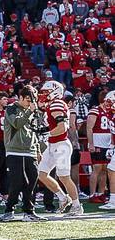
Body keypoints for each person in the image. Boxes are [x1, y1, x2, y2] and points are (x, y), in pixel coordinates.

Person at [0, 83, 46, 222]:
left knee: (32, 181)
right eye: (28, 100)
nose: (30, 103)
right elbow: (17, 123)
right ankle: (9, 210)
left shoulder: (33, 111)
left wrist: (38, 149)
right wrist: (30, 112)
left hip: (30, 150)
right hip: (14, 150)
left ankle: (29, 211)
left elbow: (35, 131)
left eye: (32, 100)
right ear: (20, 97)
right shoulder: (11, 108)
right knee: (17, 181)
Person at [35, 80, 82, 217]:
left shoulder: (57, 104)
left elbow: (62, 127)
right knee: (41, 174)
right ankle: (62, 197)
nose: (43, 94)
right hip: (52, 144)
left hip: (60, 145)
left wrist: (46, 134)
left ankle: (77, 206)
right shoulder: (52, 104)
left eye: (46, 91)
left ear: (55, 92)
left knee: (64, 177)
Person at [87, 91, 115, 209]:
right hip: (98, 142)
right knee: (97, 168)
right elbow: (89, 128)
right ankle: (92, 194)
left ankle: (101, 193)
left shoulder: (110, 112)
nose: (109, 104)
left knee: (105, 169)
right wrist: (91, 143)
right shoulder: (95, 110)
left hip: (108, 143)